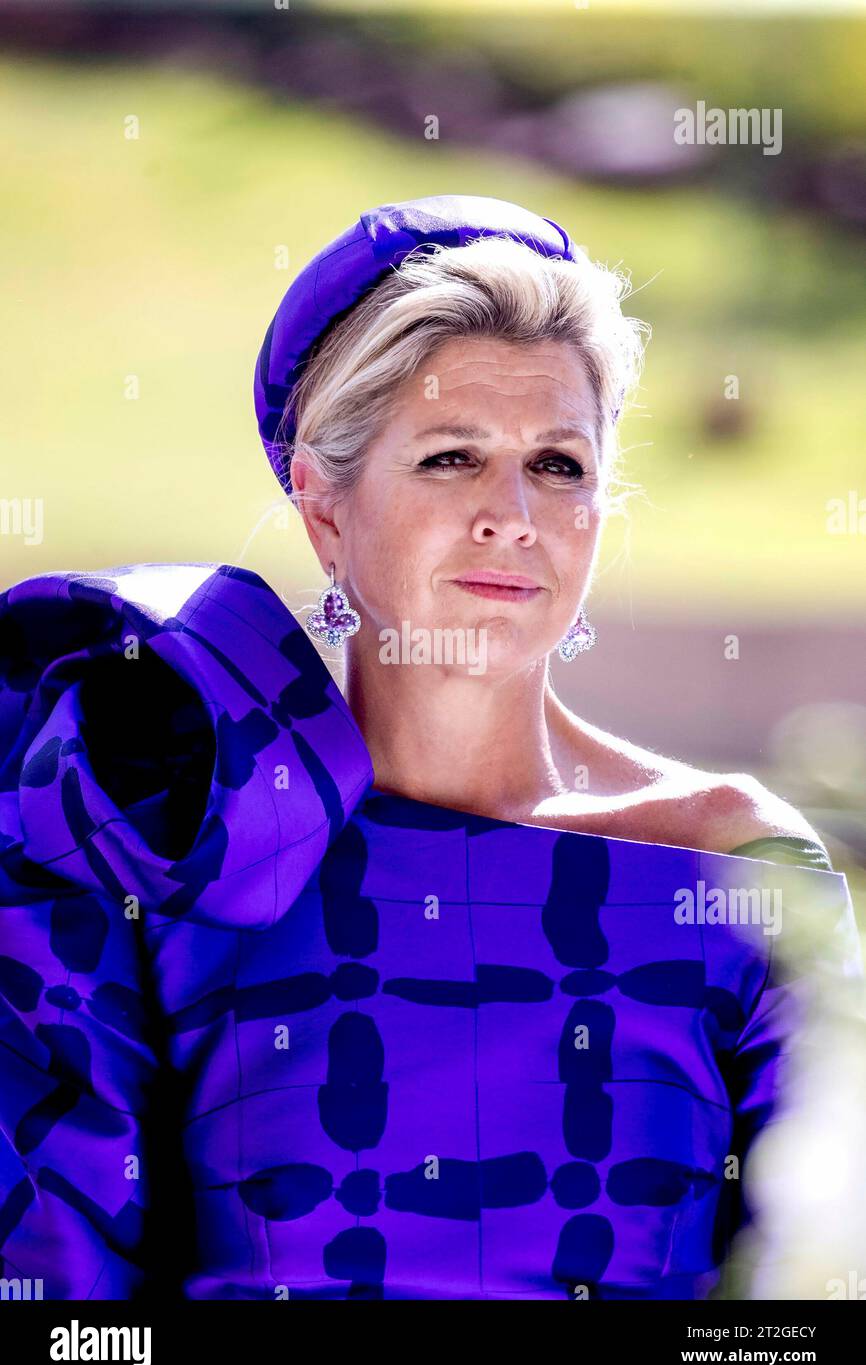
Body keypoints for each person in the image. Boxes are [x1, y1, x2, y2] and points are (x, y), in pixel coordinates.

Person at [0, 195, 858, 1302]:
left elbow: (811, 1294)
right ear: (322, 507)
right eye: (452, 456)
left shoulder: (737, 863)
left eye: (558, 464)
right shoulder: (176, 848)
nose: (512, 513)